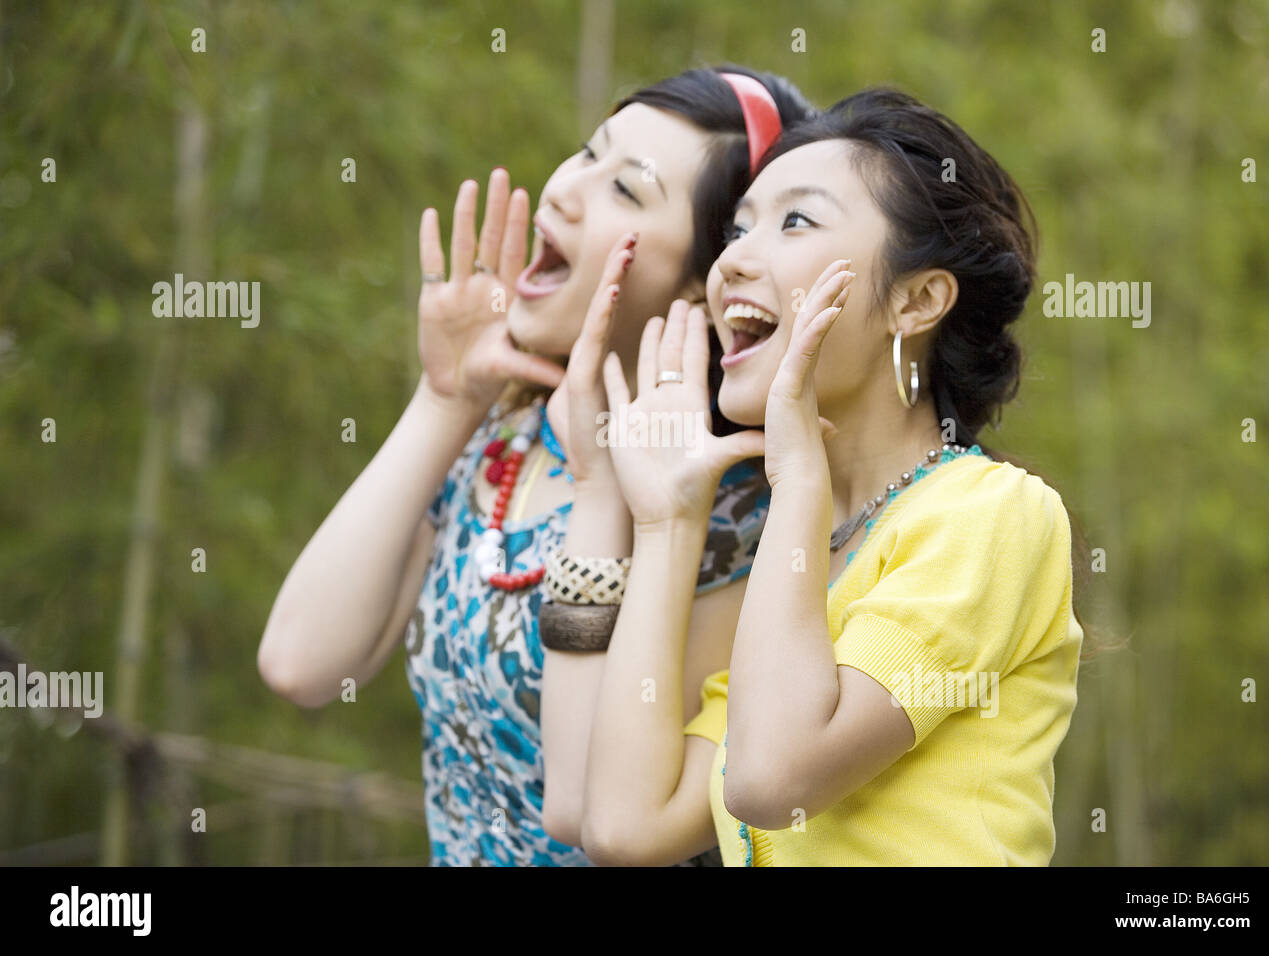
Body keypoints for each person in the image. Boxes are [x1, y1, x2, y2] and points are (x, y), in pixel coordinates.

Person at [257, 66, 815, 866]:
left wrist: (604, 493)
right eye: (587, 152)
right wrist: (445, 399)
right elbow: (300, 663)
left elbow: (586, 810)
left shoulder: (735, 519)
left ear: (706, 281)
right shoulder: (507, 434)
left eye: (627, 188)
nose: (563, 191)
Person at [575, 88, 1087, 865]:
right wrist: (666, 522)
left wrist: (800, 479)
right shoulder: (797, 563)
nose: (733, 259)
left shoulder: (991, 515)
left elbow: (772, 779)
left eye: (796, 221)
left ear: (916, 300)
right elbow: (623, 826)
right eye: (738, 227)